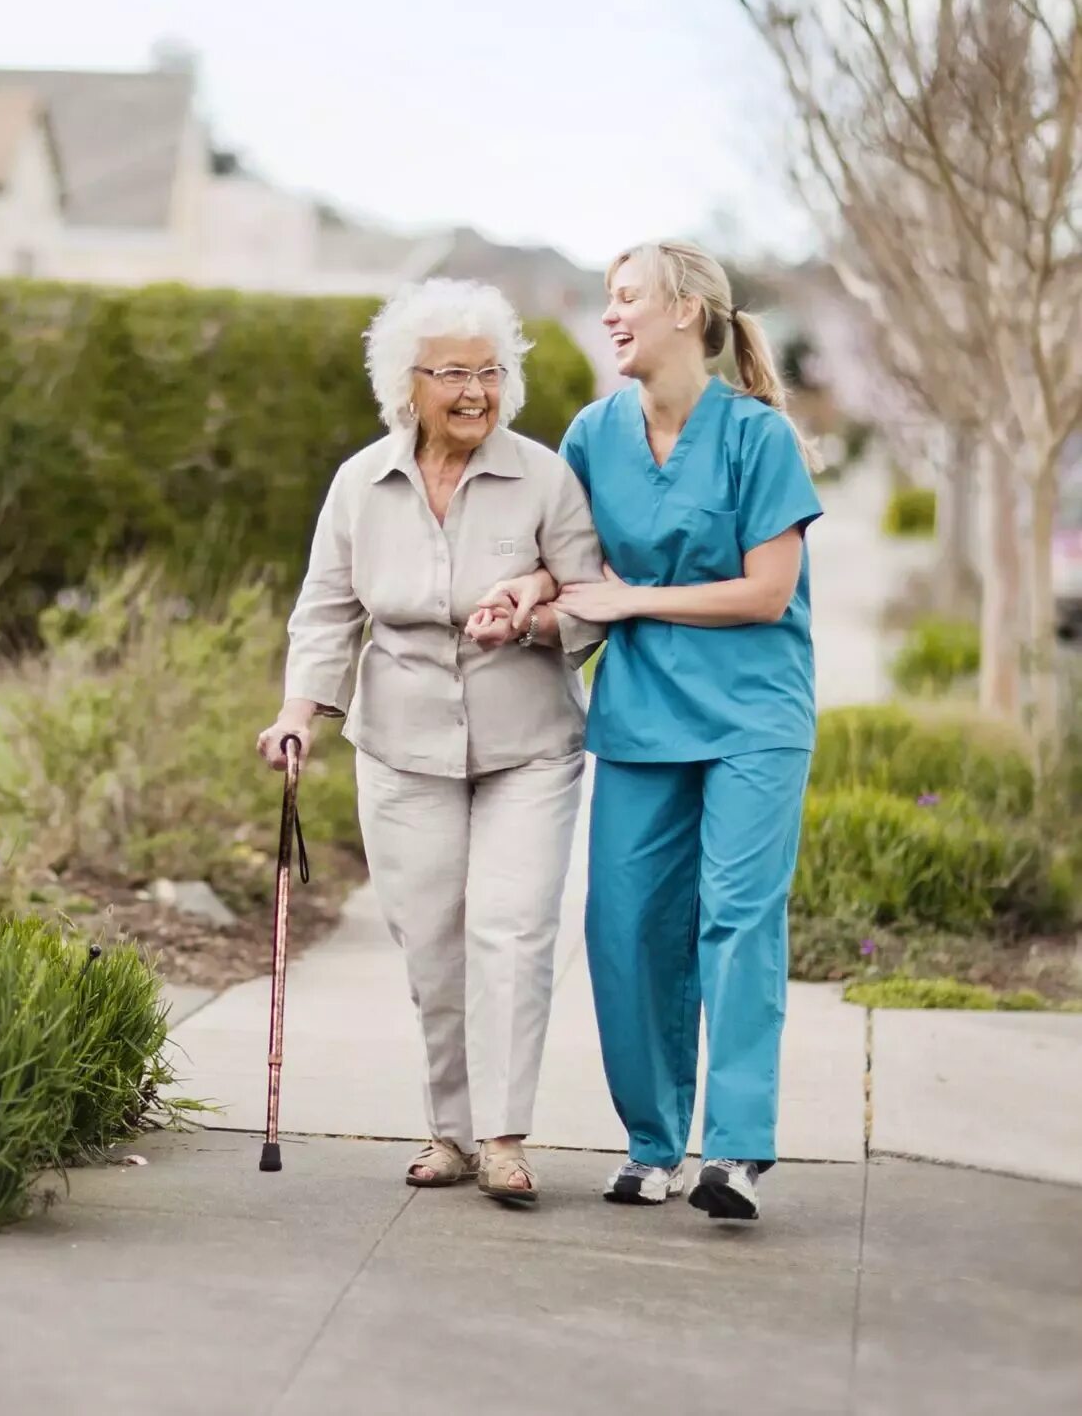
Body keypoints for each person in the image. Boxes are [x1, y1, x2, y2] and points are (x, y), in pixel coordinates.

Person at [482, 239, 822, 1222]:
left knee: (736, 922)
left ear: (686, 309)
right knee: (626, 928)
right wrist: (526, 585)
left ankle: (737, 1150)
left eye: (627, 297)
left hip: (754, 717)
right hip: (640, 719)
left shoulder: (759, 437)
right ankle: (651, 1143)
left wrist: (631, 598)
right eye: (607, 298)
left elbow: (769, 592)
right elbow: (573, 564)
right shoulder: (593, 433)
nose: (611, 314)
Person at [257, 278, 603, 1205]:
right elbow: (326, 611)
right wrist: (301, 710)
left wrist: (534, 620)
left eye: (490, 373)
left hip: (528, 742)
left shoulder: (543, 477)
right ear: (406, 384)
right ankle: (449, 1131)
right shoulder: (360, 485)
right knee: (433, 945)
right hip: (402, 743)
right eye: (453, 374)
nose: (475, 393)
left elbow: (591, 601)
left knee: (514, 931)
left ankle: (503, 1137)